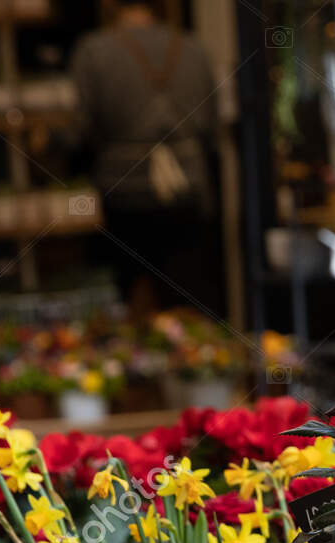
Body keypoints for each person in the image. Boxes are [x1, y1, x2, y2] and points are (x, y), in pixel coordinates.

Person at [70, 1, 223, 316]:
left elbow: (83, 129)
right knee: (187, 303)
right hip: (187, 188)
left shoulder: (93, 50)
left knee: (128, 303)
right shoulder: (195, 49)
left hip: (123, 192)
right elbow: (211, 126)